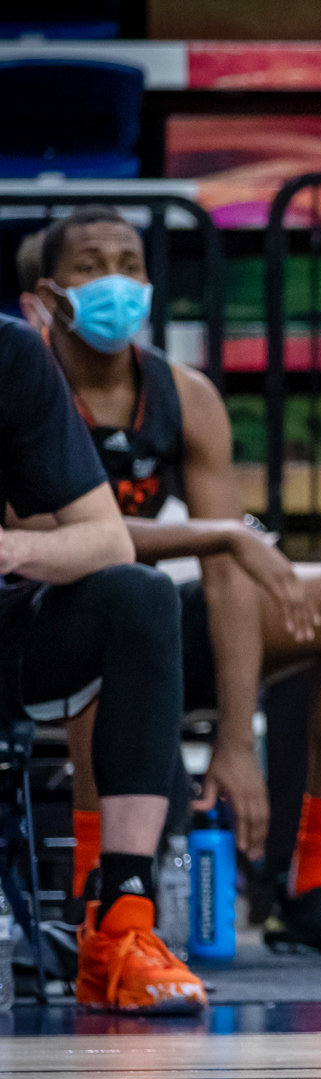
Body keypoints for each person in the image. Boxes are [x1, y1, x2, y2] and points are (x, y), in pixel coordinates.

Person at [24, 206, 321, 957]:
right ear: (51, 293)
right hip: (47, 623)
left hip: (153, 613)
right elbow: (55, 546)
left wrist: (235, 737)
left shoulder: (187, 395)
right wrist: (216, 534)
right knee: (109, 616)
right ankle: (99, 897)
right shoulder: (27, 383)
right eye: (91, 265)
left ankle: (317, 884)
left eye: (130, 263)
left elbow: (229, 568)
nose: (115, 280)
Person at [0, 313, 206, 1013]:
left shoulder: (11, 352)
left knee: (141, 597)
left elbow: (106, 538)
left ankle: (121, 921)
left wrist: (11, 550)